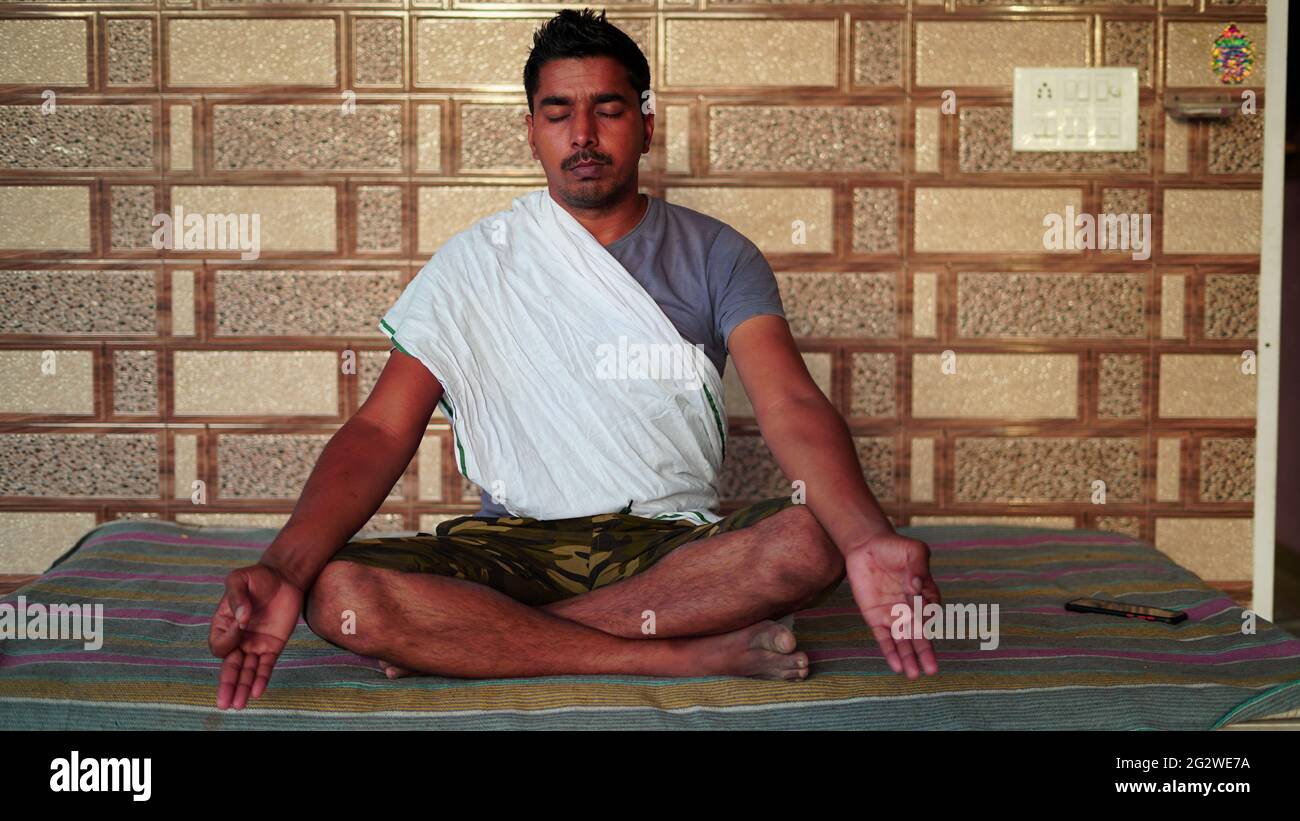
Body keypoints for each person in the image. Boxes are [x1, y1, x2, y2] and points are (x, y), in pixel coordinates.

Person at [208, 8, 941, 711]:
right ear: (531, 132)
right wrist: (282, 567)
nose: (583, 134)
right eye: (558, 112)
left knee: (810, 541)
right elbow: (377, 431)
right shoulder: (475, 263)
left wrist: (866, 538)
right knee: (340, 596)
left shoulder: (719, 254)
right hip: (513, 549)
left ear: (647, 123)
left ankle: (483, 639)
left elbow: (791, 403)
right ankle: (667, 651)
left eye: (609, 109)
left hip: (667, 544)